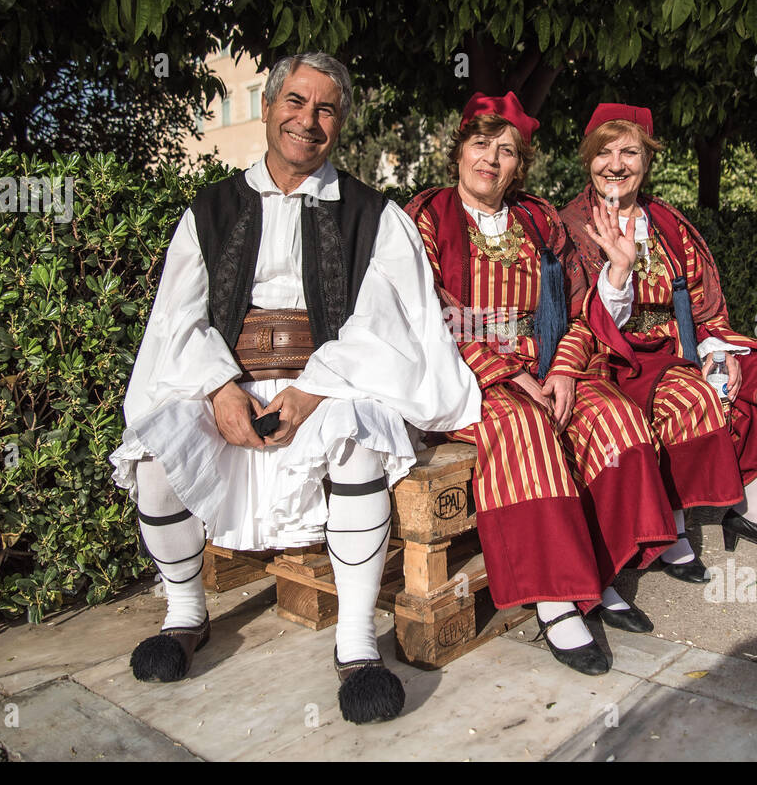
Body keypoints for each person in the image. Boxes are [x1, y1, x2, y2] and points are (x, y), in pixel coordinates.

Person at [108, 53, 481, 723]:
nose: (308, 120)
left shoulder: (373, 215)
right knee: (156, 444)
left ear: (339, 124)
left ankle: (357, 641)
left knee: (361, 441)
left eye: (326, 108)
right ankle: (186, 615)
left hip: (330, 381)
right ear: (269, 106)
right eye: (296, 102)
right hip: (228, 382)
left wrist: (314, 391)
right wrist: (220, 387)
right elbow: (177, 318)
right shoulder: (210, 210)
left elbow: (388, 323)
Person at [403, 92, 677, 676]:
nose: (491, 160)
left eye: (507, 151)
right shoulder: (423, 216)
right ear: (458, 151)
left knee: (614, 416)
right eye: (481, 144)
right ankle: (555, 600)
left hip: (545, 366)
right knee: (526, 429)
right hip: (463, 374)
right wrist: (511, 375)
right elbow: (421, 313)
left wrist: (562, 370)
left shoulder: (540, 217)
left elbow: (582, 307)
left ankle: (599, 574)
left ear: (519, 165)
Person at [559, 103, 757, 572]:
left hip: (682, 342)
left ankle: (750, 512)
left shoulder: (669, 223)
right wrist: (618, 271)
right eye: (605, 153)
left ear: (648, 161)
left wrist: (719, 349)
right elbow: (577, 318)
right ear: (588, 160)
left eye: (630, 153)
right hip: (615, 355)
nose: (616, 164)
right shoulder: (569, 227)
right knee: (691, 395)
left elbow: (702, 301)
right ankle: (674, 527)